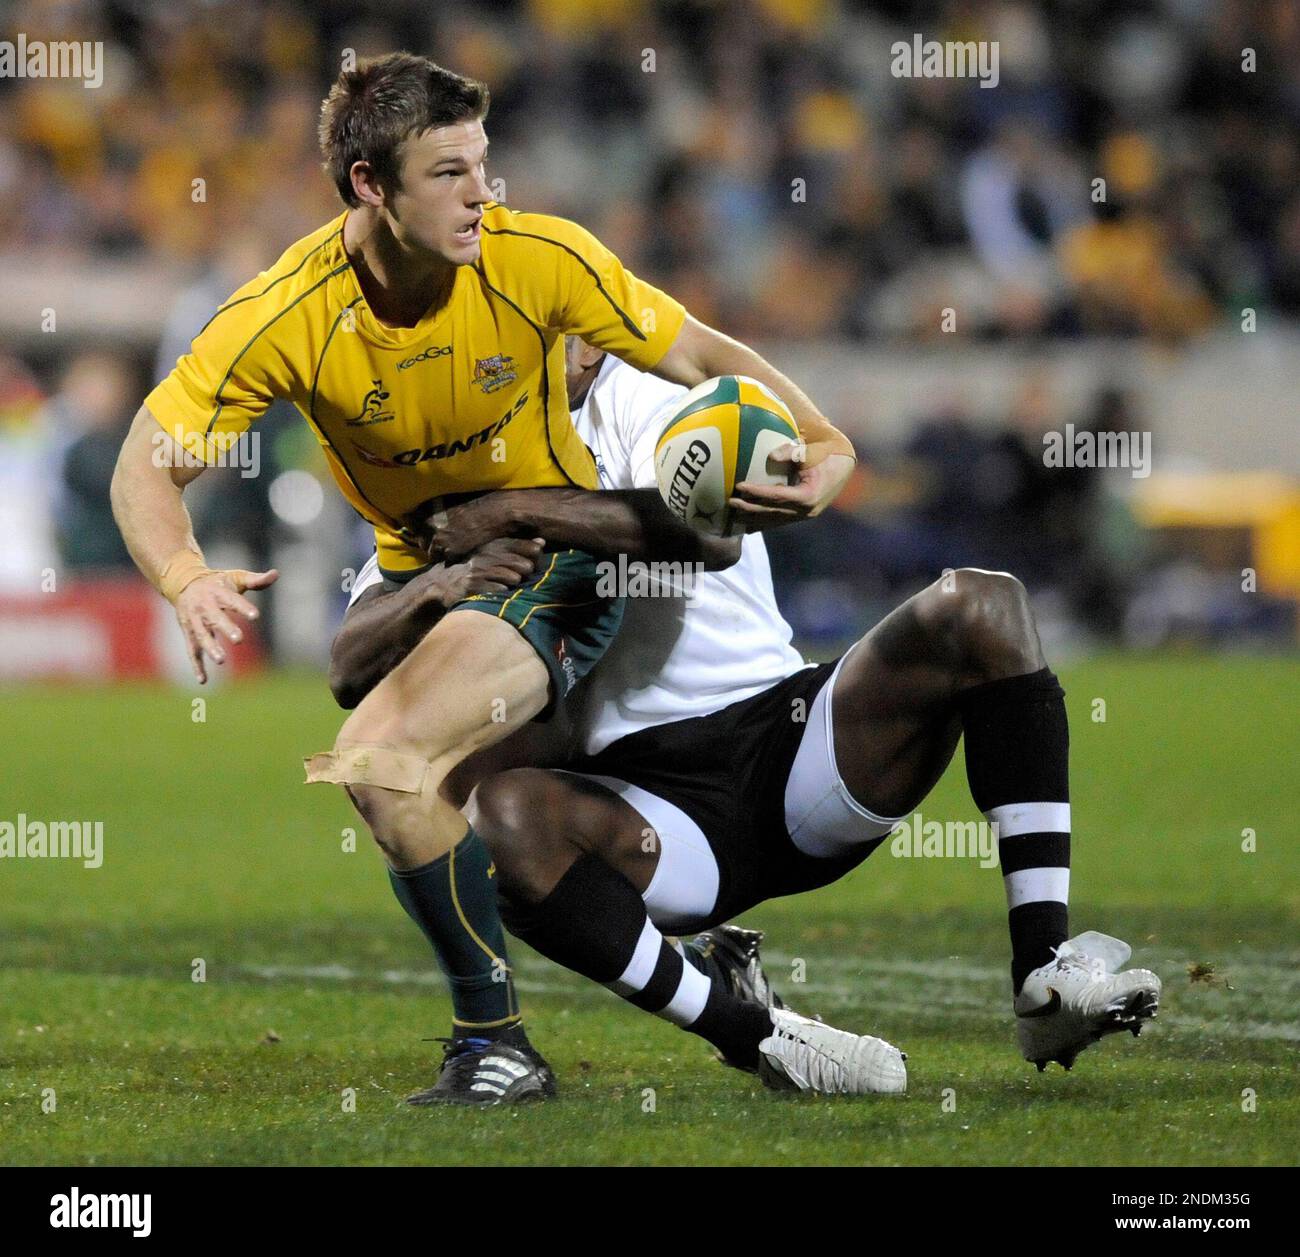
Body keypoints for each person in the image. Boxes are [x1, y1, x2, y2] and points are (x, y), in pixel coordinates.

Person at [110, 53, 857, 1105]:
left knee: (381, 761)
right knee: (424, 793)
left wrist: (823, 437)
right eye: (450, 173)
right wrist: (185, 574)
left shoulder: (536, 256)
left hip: (557, 562)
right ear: (370, 185)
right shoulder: (286, 315)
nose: (482, 194)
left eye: (484, 164)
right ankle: (705, 969)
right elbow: (147, 461)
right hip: (438, 575)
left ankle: (498, 1047)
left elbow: (695, 350)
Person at [333, 339, 1163, 1097]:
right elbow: (349, 663)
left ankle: (1045, 972)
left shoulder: (653, 395)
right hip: (648, 813)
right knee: (492, 809)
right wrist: (437, 587)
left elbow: (706, 532)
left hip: (794, 741)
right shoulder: (465, 459)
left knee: (982, 604)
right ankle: (757, 1034)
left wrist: (519, 517)